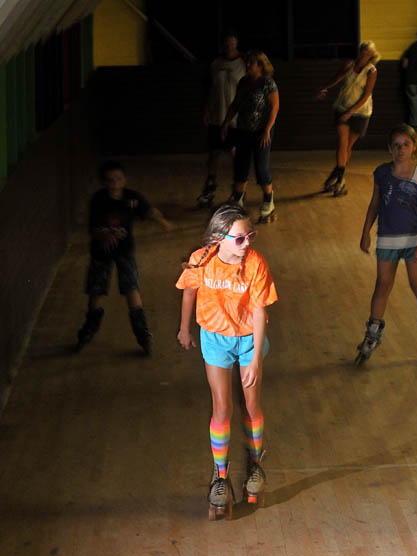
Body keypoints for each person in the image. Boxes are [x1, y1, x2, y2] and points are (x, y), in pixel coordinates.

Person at [176, 204, 278, 520]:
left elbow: (260, 310)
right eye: (240, 238)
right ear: (219, 238)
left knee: (251, 405)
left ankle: (256, 465)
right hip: (215, 337)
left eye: (250, 236)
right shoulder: (201, 260)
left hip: (249, 338)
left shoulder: (256, 263)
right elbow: (189, 293)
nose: (247, 243)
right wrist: (184, 328)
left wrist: (256, 360)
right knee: (222, 408)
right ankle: (220, 476)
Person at [355, 124, 417, 366]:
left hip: (413, 240)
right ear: (389, 149)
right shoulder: (382, 174)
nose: (400, 149)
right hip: (387, 239)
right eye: (396, 145)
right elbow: (375, 204)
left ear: (414, 146)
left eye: (406, 144)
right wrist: (365, 233)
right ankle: (372, 333)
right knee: (382, 285)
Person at [75, 160, 173, 354]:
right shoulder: (98, 200)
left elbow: (148, 211)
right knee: (97, 291)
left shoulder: (132, 197)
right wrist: (103, 235)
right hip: (101, 253)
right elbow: (92, 228)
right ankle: (89, 328)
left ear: (124, 180)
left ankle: (142, 333)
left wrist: (163, 222)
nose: (115, 184)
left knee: (131, 289)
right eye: (110, 180)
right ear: (103, 182)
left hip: (124, 252)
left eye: (118, 179)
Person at [221, 51, 279, 223]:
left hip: (262, 132)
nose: (247, 65)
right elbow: (235, 105)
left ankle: (269, 199)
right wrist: (226, 122)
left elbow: (275, 107)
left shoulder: (268, 83)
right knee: (241, 165)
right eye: (247, 62)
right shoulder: (243, 82)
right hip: (243, 130)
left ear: (260, 66)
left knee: (261, 167)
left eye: (251, 63)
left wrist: (268, 129)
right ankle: (238, 199)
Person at [316, 41, 380, 197]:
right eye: (363, 50)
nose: (364, 53)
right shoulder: (349, 65)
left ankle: (337, 173)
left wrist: (351, 112)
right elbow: (336, 78)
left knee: (347, 147)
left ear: (372, 55)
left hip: (361, 112)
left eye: (367, 52)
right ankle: (340, 181)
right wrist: (324, 87)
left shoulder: (371, 71)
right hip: (342, 107)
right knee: (342, 143)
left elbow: (366, 95)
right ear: (359, 51)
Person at [197, 30, 246, 207]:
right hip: (217, 116)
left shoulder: (243, 63)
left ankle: (238, 190)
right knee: (214, 153)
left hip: (235, 118)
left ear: (236, 44)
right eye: (227, 43)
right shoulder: (215, 64)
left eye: (232, 43)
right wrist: (206, 109)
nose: (229, 46)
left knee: (235, 153)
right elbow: (209, 89)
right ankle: (209, 189)